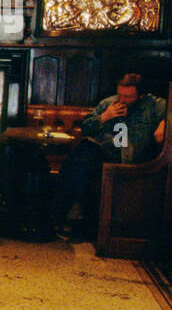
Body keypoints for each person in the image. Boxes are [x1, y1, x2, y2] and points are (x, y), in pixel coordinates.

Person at [50, 73, 166, 238]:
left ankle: (71, 220)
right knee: (81, 155)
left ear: (141, 95)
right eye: (120, 94)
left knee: (82, 160)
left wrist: (165, 123)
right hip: (106, 153)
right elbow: (85, 128)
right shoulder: (108, 103)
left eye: (128, 96)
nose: (122, 100)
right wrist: (105, 116)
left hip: (134, 160)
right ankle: (59, 217)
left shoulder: (154, 106)